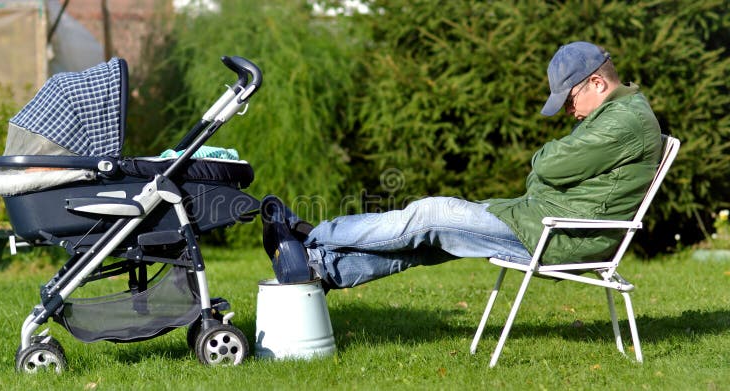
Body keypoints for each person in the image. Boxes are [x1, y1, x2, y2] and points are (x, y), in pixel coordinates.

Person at [262, 41, 662, 289]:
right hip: (541, 220)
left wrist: (545, 157)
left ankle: (311, 236)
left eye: (569, 101)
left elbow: (547, 167)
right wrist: (550, 159)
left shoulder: (622, 123)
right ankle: (320, 269)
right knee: (427, 239)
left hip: (559, 237)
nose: (569, 112)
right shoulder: (615, 115)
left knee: (431, 214)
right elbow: (553, 167)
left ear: (597, 83)